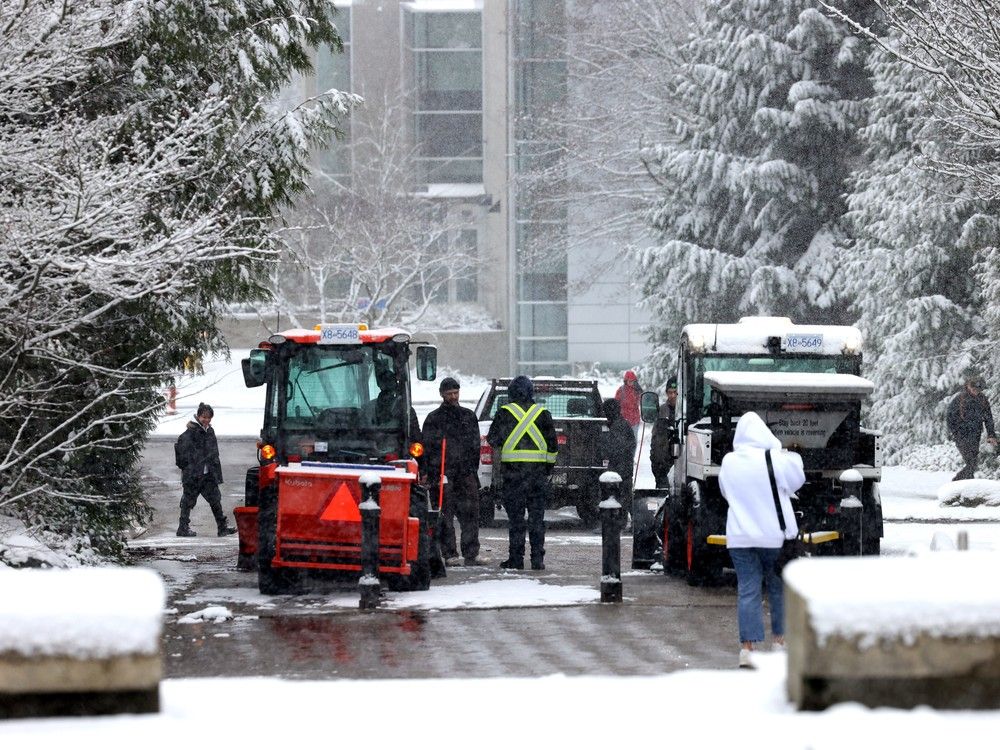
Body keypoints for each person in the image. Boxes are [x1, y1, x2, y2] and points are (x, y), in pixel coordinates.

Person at [718, 411, 805, 669]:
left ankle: (747, 650)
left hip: (740, 536)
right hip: (774, 537)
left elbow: (725, 492)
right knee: (778, 589)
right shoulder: (776, 459)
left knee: (748, 590)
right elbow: (797, 481)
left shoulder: (730, 461)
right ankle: (779, 642)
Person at [487, 375, 558, 570]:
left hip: (513, 476)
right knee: (537, 519)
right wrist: (547, 468)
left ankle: (516, 559)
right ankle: (537, 559)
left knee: (516, 520)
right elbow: (553, 447)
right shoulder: (543, 413)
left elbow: (493, 440)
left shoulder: (504, 413)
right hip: (537, 477)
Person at [422, 377, 484, 566]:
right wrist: (432, 472)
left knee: (470, 514)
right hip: (443, 474)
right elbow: (428, 447)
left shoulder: (468, 416)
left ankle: (471, 552)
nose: (453, 397)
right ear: (442, 394)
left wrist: (472, 470)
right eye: (449, 394)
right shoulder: (434, 419)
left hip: (465, 473)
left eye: (456, 393)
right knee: (445, 515)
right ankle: (450, 554)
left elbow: (475, 445)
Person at [175, 403, 236, 537]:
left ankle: (222, 527)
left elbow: (214, 454)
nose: (206, 420)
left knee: (215, 499)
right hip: (194, 475)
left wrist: (215, 472)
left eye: (209, 417)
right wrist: (190, 467)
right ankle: (183, 528)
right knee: (188, 501)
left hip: (208, 474)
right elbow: (181, 454)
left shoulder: (209, 431)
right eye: (204, 417)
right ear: (198, 416)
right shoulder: (190, 433)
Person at [946, 375, 998, 481]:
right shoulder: (960, 399)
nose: (976, 391)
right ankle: (957, 483)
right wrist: (954, 432)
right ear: (969, 386)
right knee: (971, 462)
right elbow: (949, 417)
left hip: (975, 434)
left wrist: (991, 435)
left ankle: (964, 486)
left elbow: (988, 418)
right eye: (974, 389)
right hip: (961, 435)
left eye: (978, 389)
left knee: (973, 463)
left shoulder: (983, 399)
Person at [599, 398, 636, 517]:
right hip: (624, 466)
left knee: (622, 496)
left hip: (620, 468)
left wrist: (605, 454)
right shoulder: (620, 424)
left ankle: (620, 521)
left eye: (605, 412)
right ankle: (624, 520)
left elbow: (616, 448)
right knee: (624, 495)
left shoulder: (618, 426)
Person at [649, 378, 679, 488]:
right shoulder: (662, 411)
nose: (672, 396)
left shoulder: (687, 412)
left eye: (675, 392)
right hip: (663, 465)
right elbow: (655, 439)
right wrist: (656, 463)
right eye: (669, 392)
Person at [615, 370, 642, 437]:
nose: (631, 382)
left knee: (633, 441)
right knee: (623, 441)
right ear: (625, 381)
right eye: (629, 381)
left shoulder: (637, 390)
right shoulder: (621, 390)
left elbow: (642, 401)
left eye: (632, 381)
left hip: (635, 420)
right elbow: (615, 403)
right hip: (623, 420)